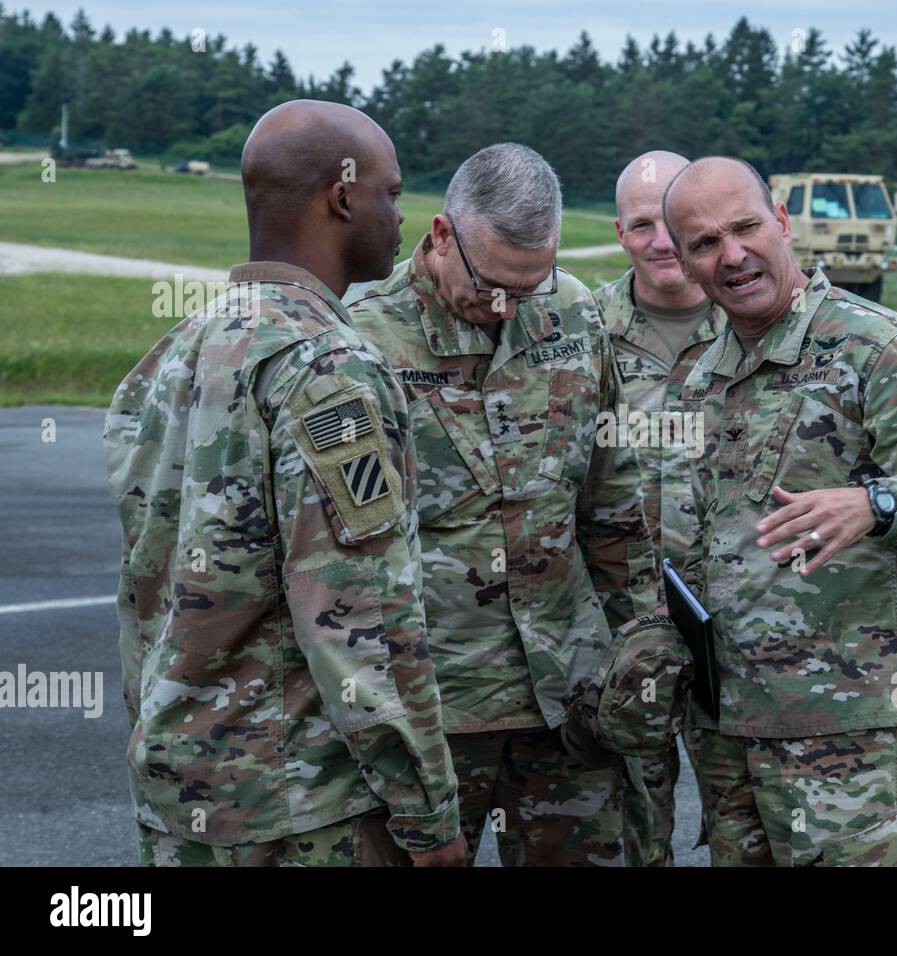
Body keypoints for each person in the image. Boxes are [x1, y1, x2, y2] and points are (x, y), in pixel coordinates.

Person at [103, 99, 464, 867]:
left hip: (182, 795)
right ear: (341, 196)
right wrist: (430, 818)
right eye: (391, 192)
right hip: (302, 812)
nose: (401, 217)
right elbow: (363, 620)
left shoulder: (172, 355)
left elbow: (144, 587)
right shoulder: (328, 366)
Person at [664, 156, 897, 866]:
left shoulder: (880, 347)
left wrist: (878, 503)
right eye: (704, 243)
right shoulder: (699, 381)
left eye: (746, 227)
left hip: (858, 738)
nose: (732, 255)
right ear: (687, 264)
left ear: (782, 223)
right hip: (731, 738)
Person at [348, 143, 661, 866]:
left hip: (567, 700)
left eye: (528, 288)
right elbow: (340, 560)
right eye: (491, 284)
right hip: (428, 715)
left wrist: (644, 639)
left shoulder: (574, 315)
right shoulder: (359, 338)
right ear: (439, 236)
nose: (504, 307)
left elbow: (613, 499)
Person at [593, 149, 725, 867]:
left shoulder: (755, 329)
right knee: (630, 828)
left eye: (672, 221)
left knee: (747, 823)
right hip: (622, 625)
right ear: (621, 232)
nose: (662, 241)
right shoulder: (583, 337)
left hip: (736, 626)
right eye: (642, 224)